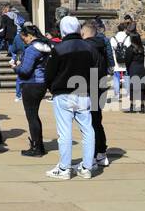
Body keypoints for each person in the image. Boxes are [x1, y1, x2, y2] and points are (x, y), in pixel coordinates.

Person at [45, 16, 97, 179]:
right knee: (88, 129)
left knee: (64, 131)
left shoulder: (59, 48)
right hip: (84, 93)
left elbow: (50, 73)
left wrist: (51, 88)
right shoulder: (89, 48)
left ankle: (64, 168)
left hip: (63, 93)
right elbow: (94, 71)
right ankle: (87, 167)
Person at [17, 23, 51, 157]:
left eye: (23, 38)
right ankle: (39, 145)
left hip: (31, 83)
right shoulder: (46, 46)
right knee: (34, 115)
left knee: (31, 116)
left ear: (30, 36)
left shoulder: (32, 49)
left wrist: (16, 67)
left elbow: (25, 70)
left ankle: (37, 147)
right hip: (41, 83)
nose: (23, 40)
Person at [82, 20, 112, 167]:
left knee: (90, 122)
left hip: (91, 87)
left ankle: (94, 155)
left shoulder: (87, 47)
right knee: (96, 121)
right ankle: (101, 152)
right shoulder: (102, 46)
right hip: (100, 85)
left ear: (84, 33)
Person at [122, 28, 145, 113]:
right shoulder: (142, 48)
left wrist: (128, 67)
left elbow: (127, 60)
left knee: (133, 88)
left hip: (133, 68)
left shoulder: (130, 49)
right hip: (141, 68)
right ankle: (142, 107)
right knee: (142, 88)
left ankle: (132, 106)